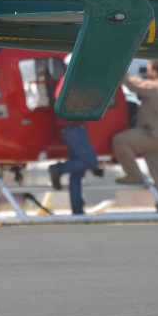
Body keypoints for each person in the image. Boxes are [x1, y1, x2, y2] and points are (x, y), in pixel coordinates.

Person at [112, 60, 158, 208]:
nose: (146, 73)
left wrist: (121, 71)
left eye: (148, 70)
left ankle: (134, 175)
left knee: (120, 141)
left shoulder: (155, 86)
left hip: (150, 134)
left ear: (155, 72)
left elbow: (134, 84)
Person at [48, 74, 100, 216]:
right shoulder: (70, 82)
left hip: (74, 129)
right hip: (74, 130)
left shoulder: (67, 82)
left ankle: (77, 210)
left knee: (77, 173)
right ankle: (58, 169)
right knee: (91, 162)